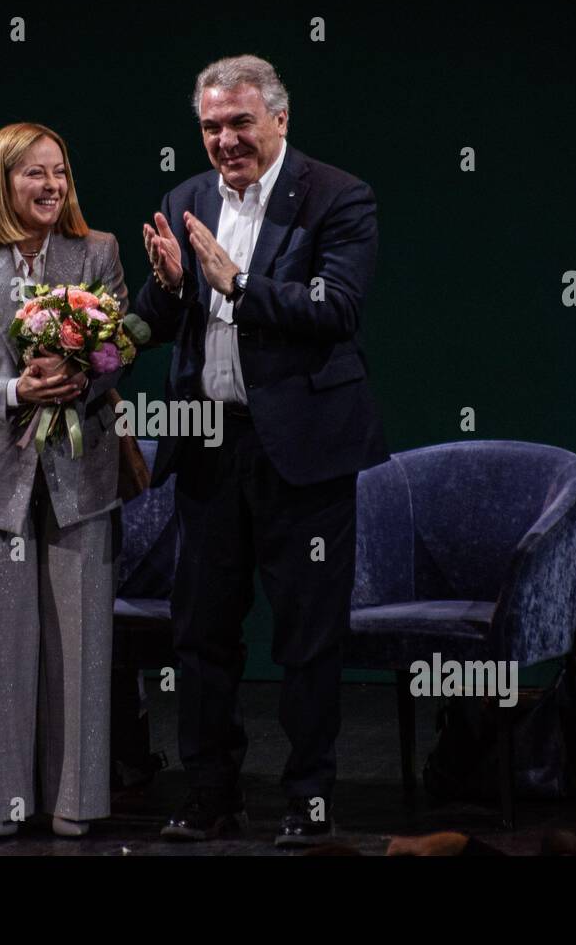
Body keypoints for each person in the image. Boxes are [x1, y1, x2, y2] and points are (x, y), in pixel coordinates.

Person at [134, 55, 388, 846]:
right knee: (200, 633)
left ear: (280, 119)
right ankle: (211, 795)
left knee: (307, 636)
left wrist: (238, 285)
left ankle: (309, 800)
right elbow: (162, 316)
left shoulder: (336, 197)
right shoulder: (185, 199)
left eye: (240, 122)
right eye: (211, 126)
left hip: (302, 453)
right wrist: (171, 288)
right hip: (208, 446)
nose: (225, 139)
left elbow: (337, 308)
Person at [0, 122, 128, 838]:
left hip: (80, 471)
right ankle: (6, 800)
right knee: (1, 646)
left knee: (81, 647)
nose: (51, 187)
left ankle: (78, 801)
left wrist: (82, 373)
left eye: (60, 173)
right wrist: (18, 391)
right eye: (34, 174)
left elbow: (121, 349)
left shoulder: (97, 251)